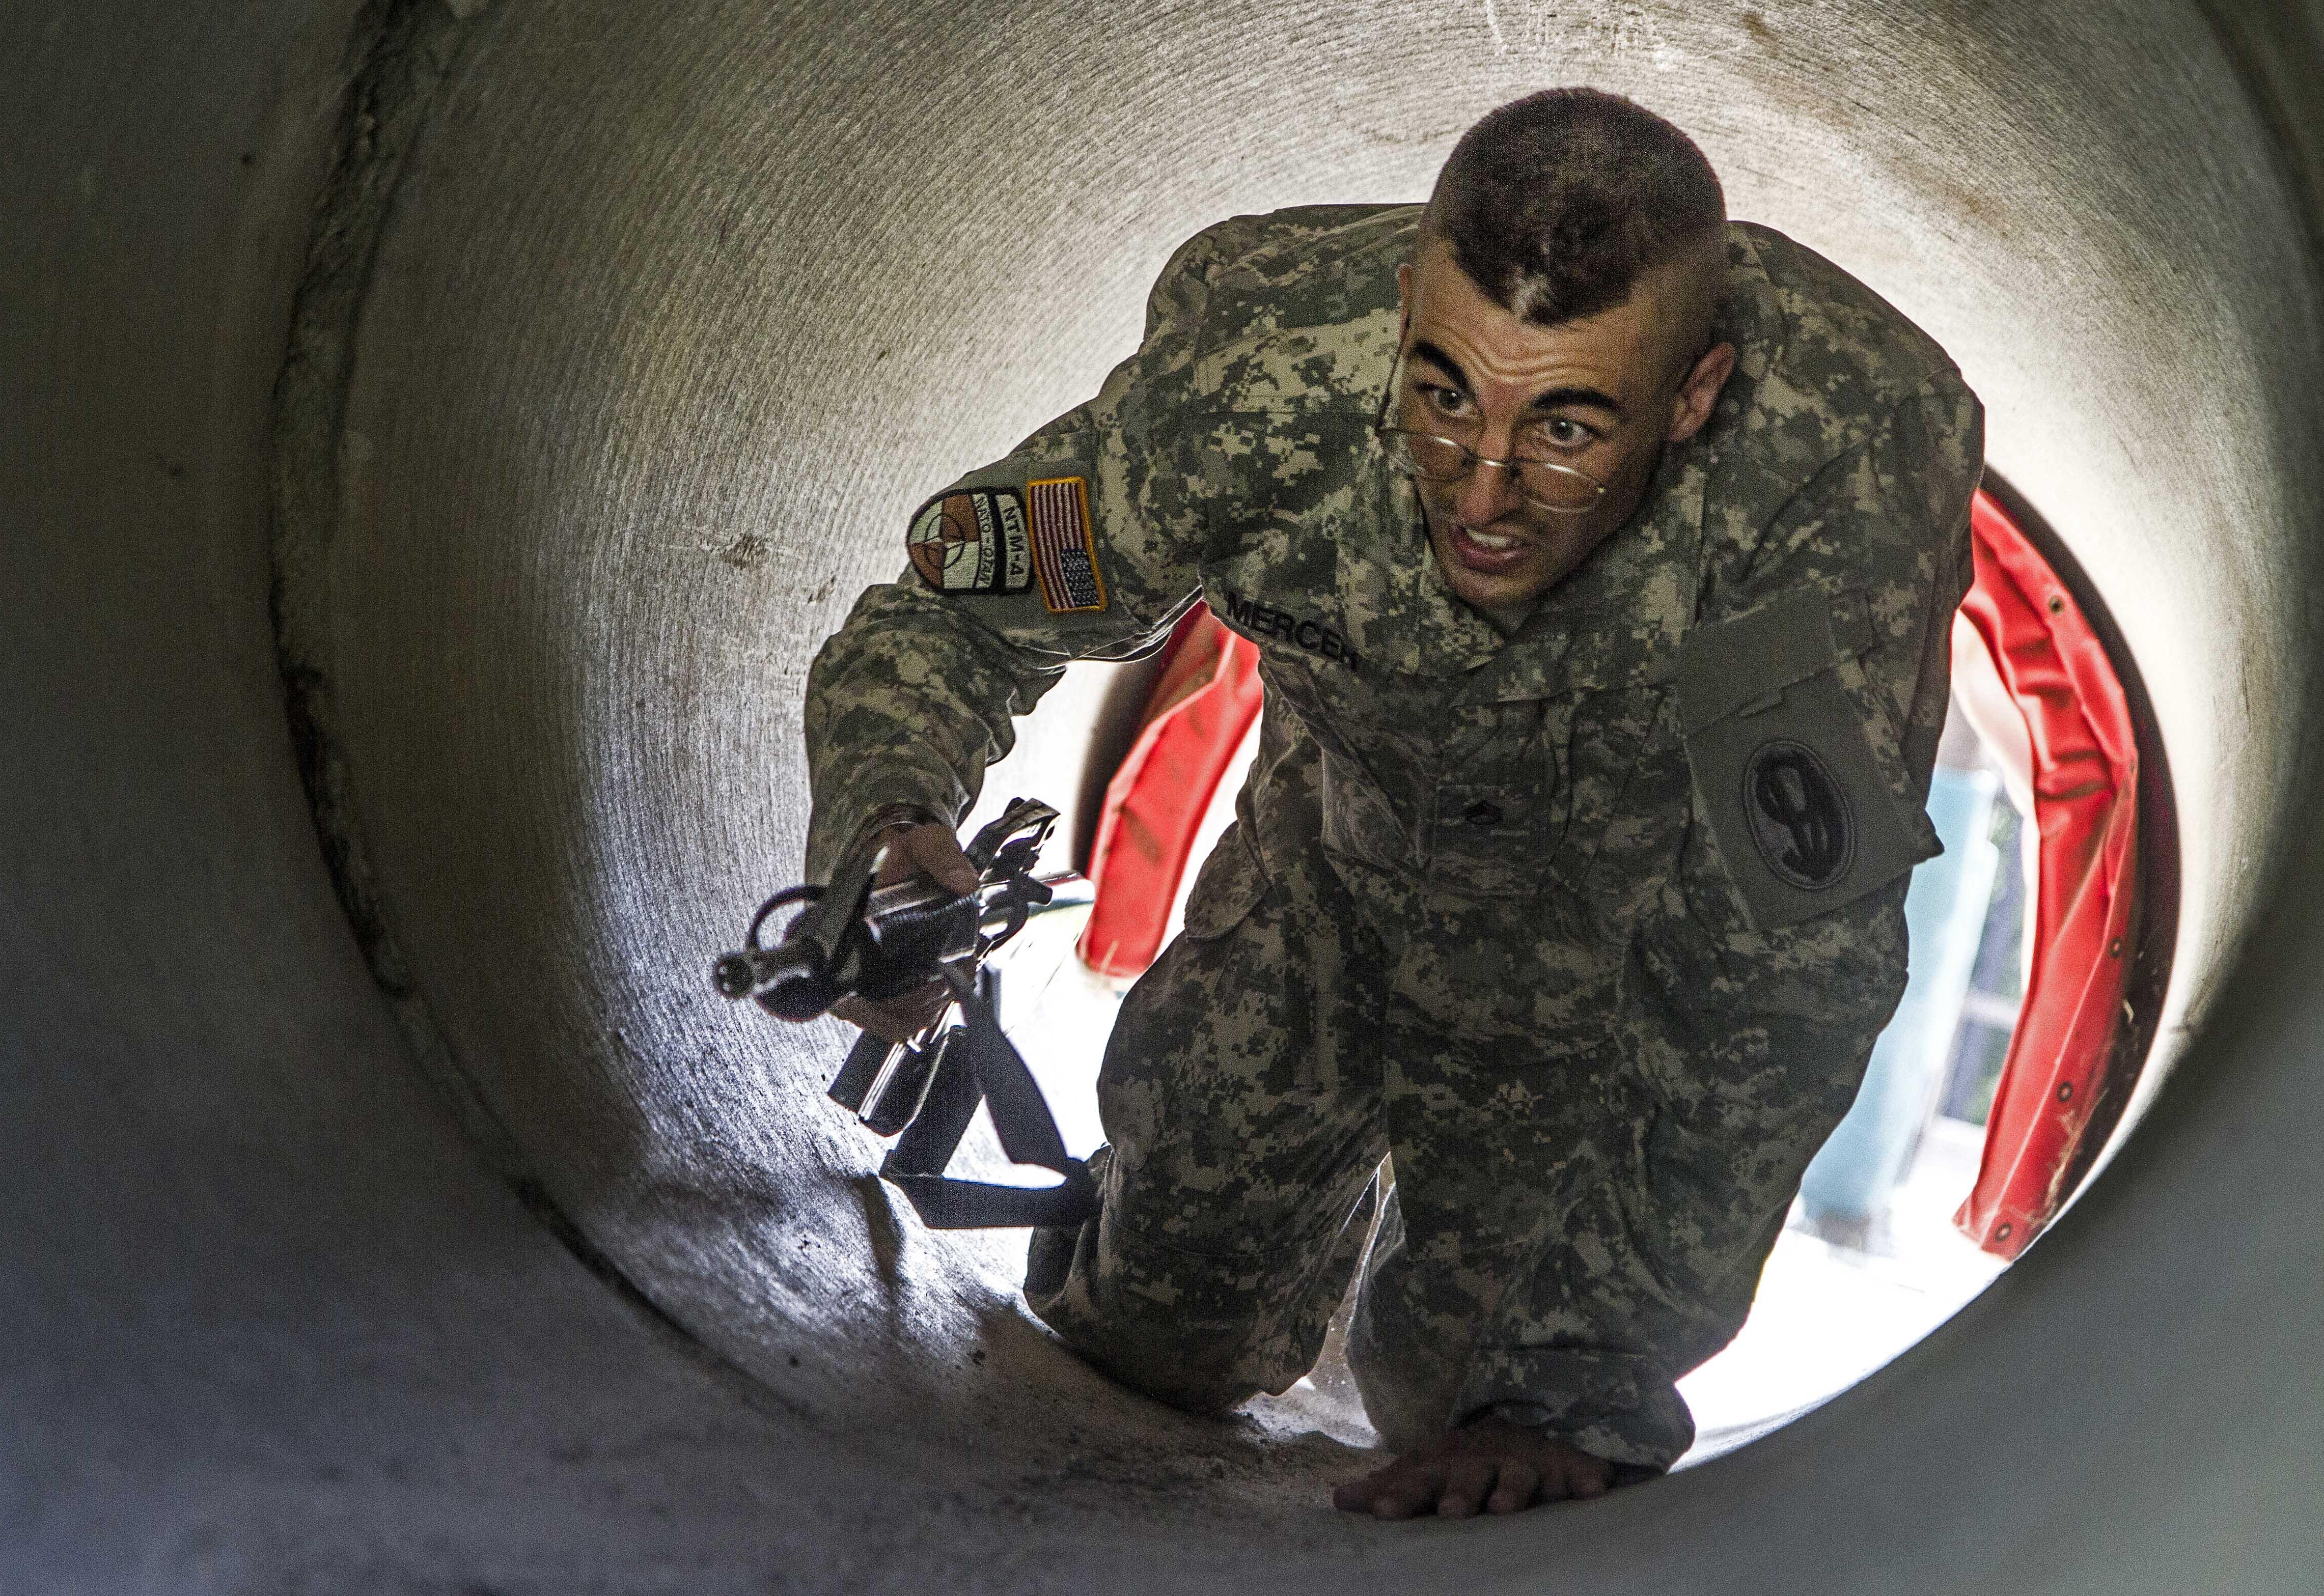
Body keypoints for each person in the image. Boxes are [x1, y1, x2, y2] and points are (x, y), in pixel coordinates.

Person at [801, 88, 1984, 1519]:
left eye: (1567, 427)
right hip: (1335, 860)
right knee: (1158, 1332)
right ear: (1405, 306)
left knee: (1470, 1409)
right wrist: (888, 829)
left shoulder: (1829, 475)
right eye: (1442, 395)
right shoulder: (1259, 381)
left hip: (1602, 952)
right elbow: (951, 615)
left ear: (1693, 395)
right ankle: (1243, 1228)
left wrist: (1590, 1375)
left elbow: (1777, 969)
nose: (1481, 490)